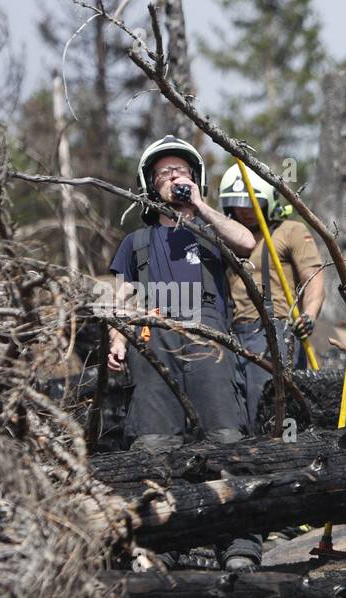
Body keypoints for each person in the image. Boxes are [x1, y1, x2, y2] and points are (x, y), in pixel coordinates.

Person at [107, 134, 262, 571]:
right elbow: (123, 301)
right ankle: (163, 545)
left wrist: (200, 207)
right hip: (152, 344)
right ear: (149, 186)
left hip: (209, 341)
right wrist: (118, 339)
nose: (173, 178)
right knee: (155, 448)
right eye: (163, 174)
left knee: (226, 440)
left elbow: (248, 244)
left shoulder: (213, 230)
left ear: (195, 180)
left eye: (181, 172)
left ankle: (238, 546)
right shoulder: (136, 242)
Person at [217, 164, 325, 428]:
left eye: (251, 204)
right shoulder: (224, 238)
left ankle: (275, 459)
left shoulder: (290, 231)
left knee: (267, 408)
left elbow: (314, 280)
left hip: (274, 333)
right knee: (234, 412)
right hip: (231, 334)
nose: (244, 210)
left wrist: (309, 315)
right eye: (237, 205)